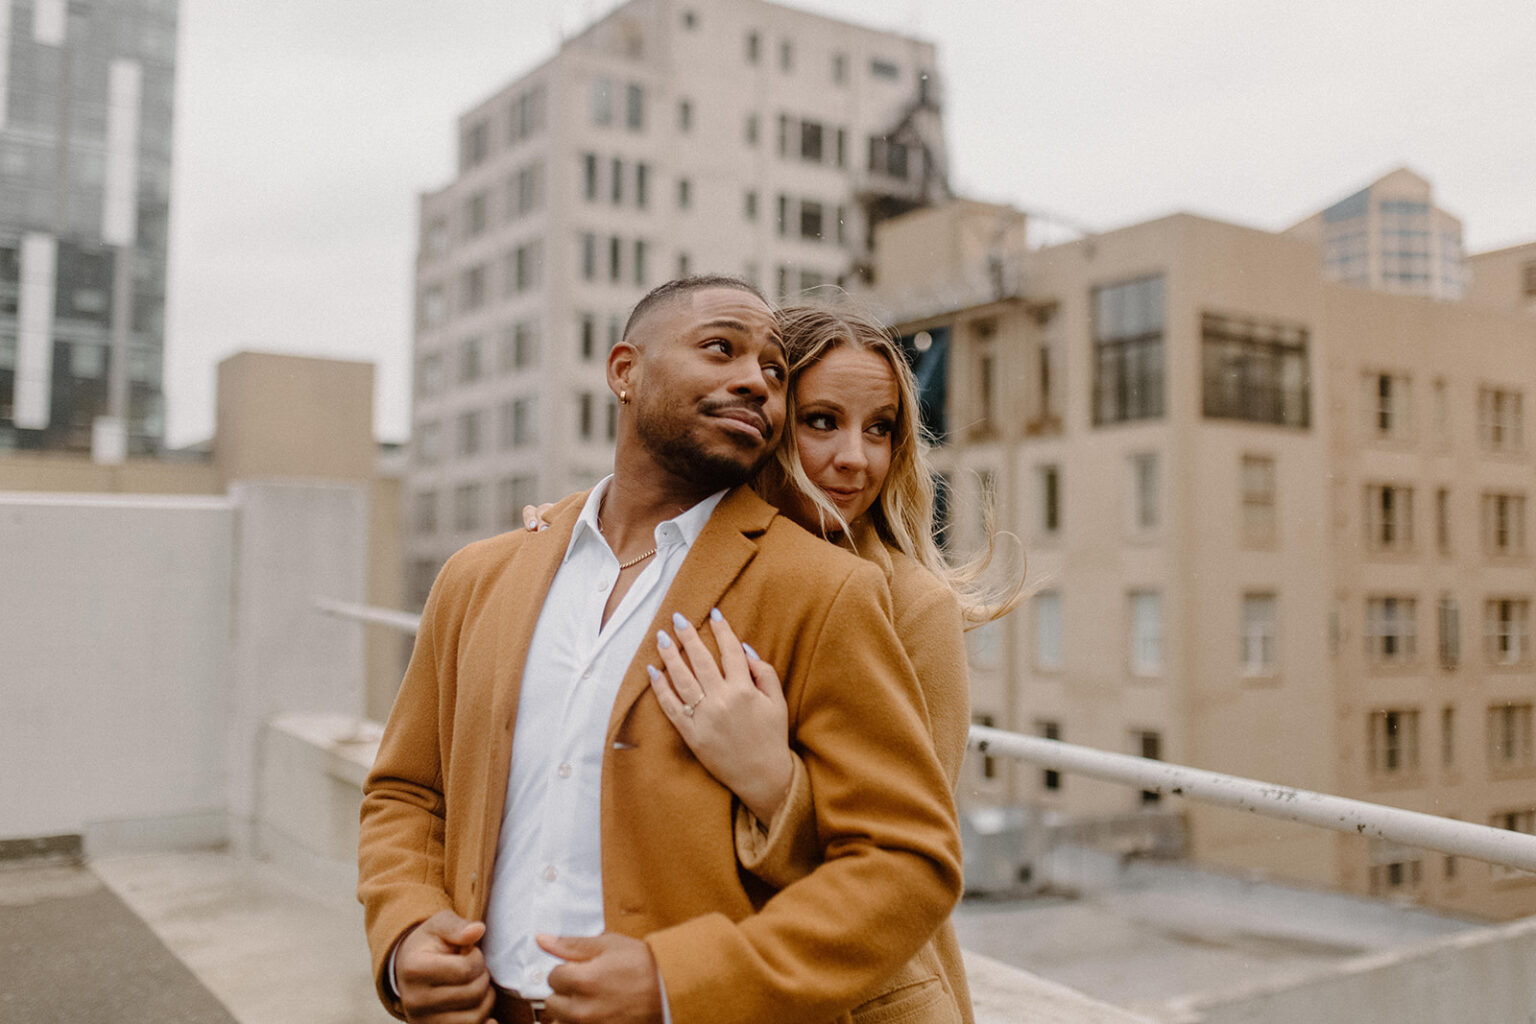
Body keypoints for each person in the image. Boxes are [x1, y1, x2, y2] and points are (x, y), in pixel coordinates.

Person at [358, 276, 964, 1024]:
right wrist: (407, 928)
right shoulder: (485, 574)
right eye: (720, 349)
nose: (753, 380)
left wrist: (680, 981)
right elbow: (408, 793)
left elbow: (906, 860)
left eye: (774, 371)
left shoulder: (839, 592)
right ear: (624, 371)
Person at [527, 302, 1024, 1024]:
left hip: (861, 1001)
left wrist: (774, 782)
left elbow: (907, 863)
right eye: (822, 421)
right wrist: (574, 526)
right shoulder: (672, 565)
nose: (855, 457)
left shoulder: (911, 607)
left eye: (879, 428)